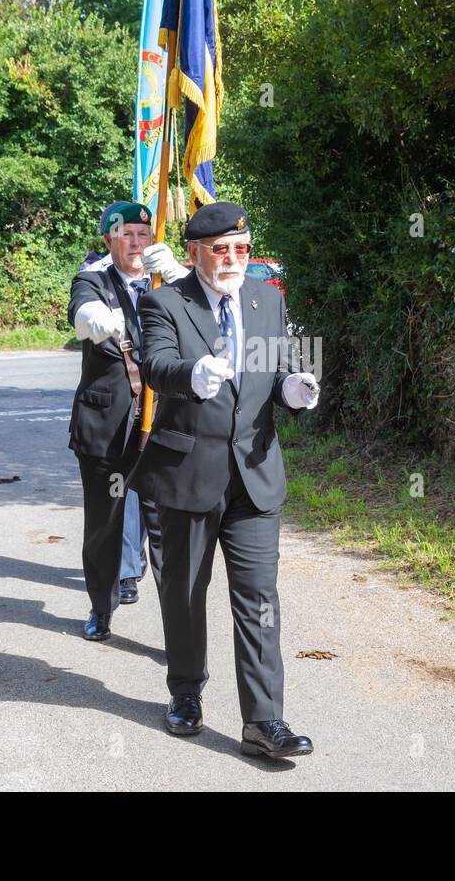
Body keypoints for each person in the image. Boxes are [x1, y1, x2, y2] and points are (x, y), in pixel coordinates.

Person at [132, 201, 321, 759]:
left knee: (260, 599)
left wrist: (293, 390)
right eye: (222, 250)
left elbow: (280, 367)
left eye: (242, 249)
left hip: (255, 476)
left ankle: (264, 722)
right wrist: (192, 374)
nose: (234, 259)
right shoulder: (165, 301)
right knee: (186, 592)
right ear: (195, 254)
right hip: (189, 472)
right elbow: (155, 365)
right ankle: (186, 692)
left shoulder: (267, 301)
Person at [67, 201, 166, 641]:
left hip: (164, 426)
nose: (136, 243)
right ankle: (101, 607)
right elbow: (81, 312)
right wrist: (93, 320)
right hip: (108, 427)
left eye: (143, 235)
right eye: (127, 234)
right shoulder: (94, 279)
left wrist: (182, 277)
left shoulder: (167, 284)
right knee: (104, 526)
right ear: (109, 238)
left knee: (169, 533)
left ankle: (179, 632)